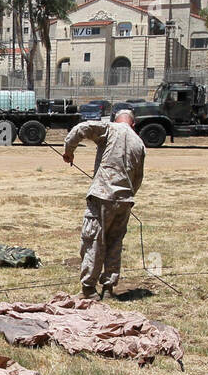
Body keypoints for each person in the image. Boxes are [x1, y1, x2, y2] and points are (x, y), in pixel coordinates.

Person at [62, 110, 146, 299]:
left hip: (102, 196)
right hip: (125, 200)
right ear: (133, 125)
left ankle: (89, 288)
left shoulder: (110, 128)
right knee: (115, 242)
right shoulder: (139, 143)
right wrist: (128, 195)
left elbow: (81, 128)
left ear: (115, 119)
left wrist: (69, 151)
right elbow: (138, 177)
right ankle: (108, 287)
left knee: (93, 240)